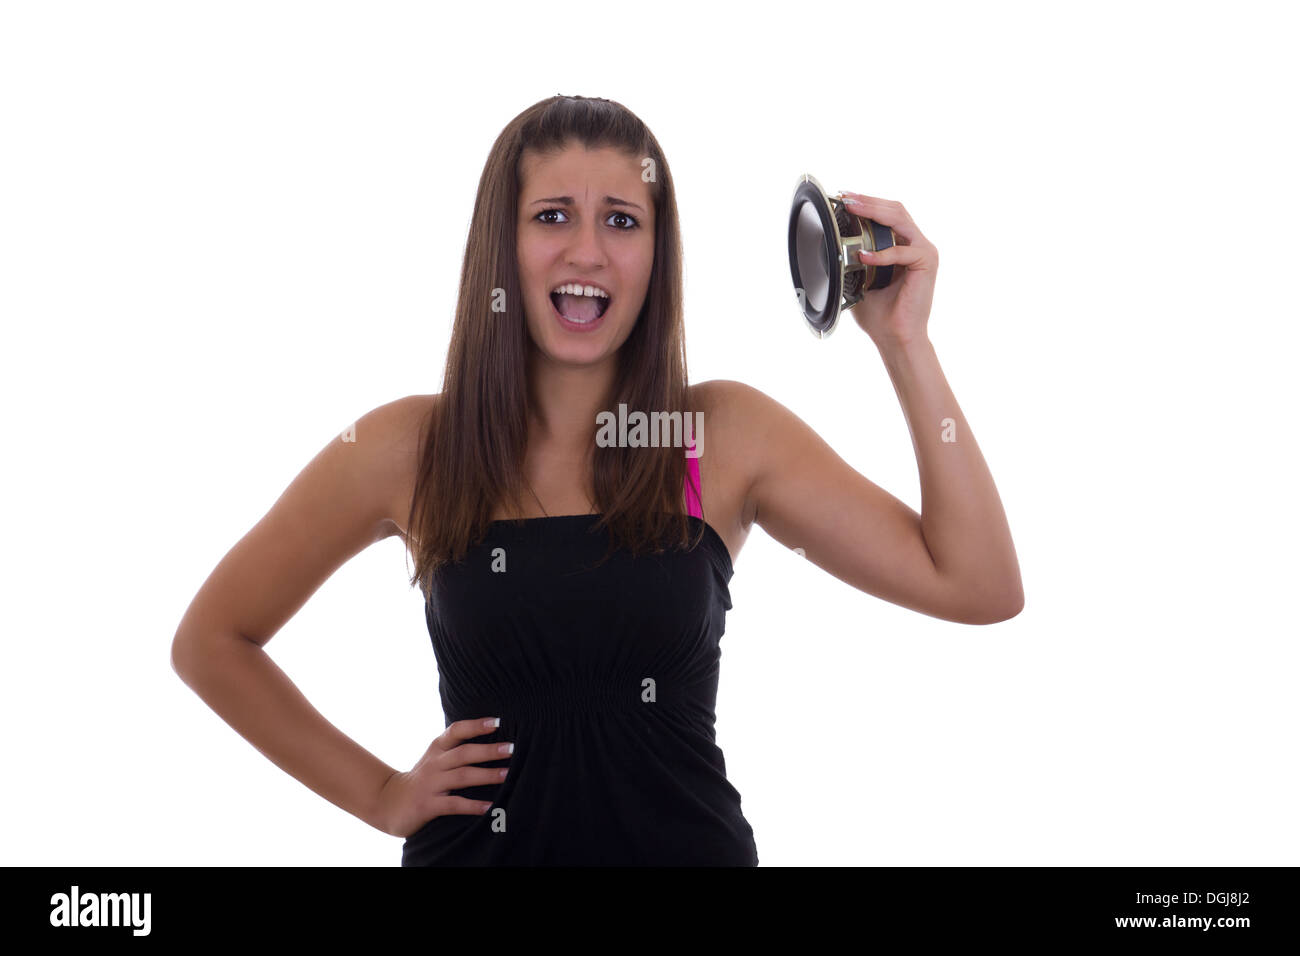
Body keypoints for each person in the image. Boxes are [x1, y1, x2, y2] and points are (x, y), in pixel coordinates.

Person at [170, 94, 1023, 866]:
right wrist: (382, 795)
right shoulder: (411, 446)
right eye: (552, 216)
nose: (588, 250)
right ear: (500, 245)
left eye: (622, 220)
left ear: (658, 253)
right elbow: (212, 641)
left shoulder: (718, 435)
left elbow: (978, 583)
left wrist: (904, 343)